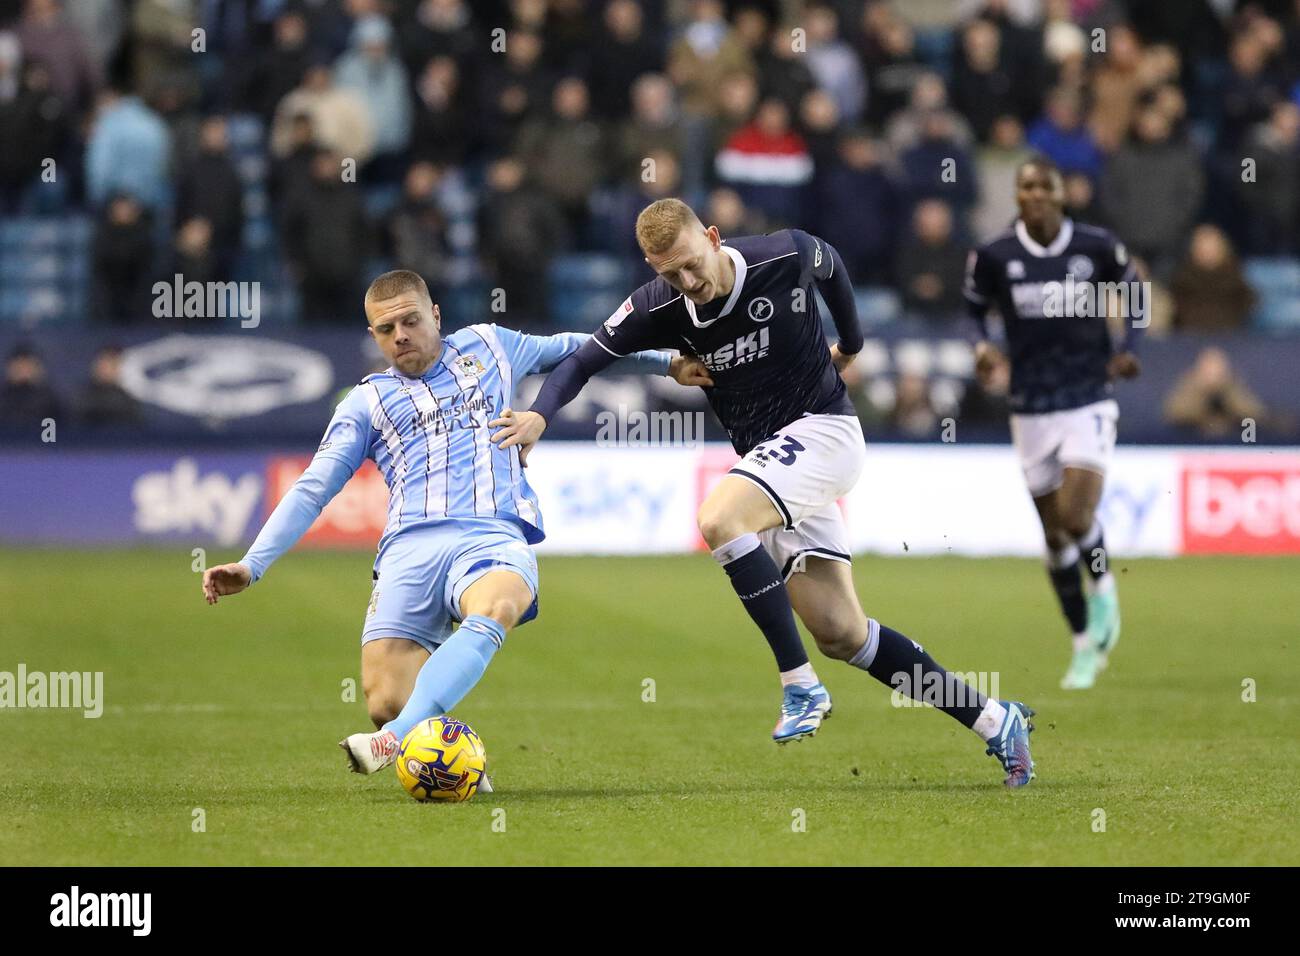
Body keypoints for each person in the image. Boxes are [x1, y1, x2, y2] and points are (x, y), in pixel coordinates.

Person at [490, 198, 1036, 787]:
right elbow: (583, 361)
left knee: (721, 518)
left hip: (824, 432)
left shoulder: (782, 254)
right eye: (668, 273)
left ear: (714, 237)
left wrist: (850, 344)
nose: (686, 282)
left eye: (691, 265)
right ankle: (995, 719)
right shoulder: (659, 305)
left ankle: (798, 685)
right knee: (843, 634)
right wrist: (541, 415)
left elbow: (832, 269)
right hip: (771, 465)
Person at [200, 271, 708, 785]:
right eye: (384, 329)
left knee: (497, 604)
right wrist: (252, 564)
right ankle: (449, 752)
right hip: (408, 549)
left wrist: (667, 362)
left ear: (435, 315)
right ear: (373, 336)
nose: (399, 334)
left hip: (491, 534)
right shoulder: (365, 403)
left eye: (410, 320)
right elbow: (314, 488)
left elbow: (581, 348)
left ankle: (392, 741)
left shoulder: (489, 345)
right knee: (386, 700)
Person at [964, 156, 1143, 690]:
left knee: (1074, 513)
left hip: (1088, 395)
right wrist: (982, 348)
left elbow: (1135, 291)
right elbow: (972, 309)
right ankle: (1083, 645)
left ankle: (1105, 588)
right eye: (1026, 187)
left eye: (1045, 186)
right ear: (1017, 197)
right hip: (1030, 403)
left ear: (1063, 194)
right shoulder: (995, 255)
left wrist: (1130, 347)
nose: (1035, 194)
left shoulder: (1096, 246)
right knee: (1053, 534)